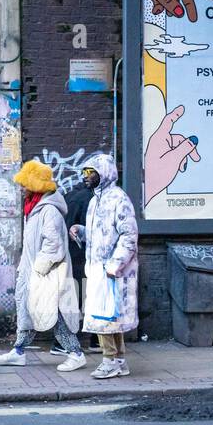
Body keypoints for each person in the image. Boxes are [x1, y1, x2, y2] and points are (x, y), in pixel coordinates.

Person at [0, 159, 86, 371]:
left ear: (36, 185)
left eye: (25, 183)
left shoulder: (48, 210)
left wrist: (39, 269)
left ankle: (76, 353)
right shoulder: (34, 208)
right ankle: (18, 351)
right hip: (32, 271)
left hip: (47, 274)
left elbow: (54, 245)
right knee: (27, 310)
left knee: (57, 313)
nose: (22, 188)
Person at [69, 154, 138, 379]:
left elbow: (128, 235)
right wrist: (82, 231)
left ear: (104, 174)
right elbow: (101, 234)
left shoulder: (119, 199)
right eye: (84, 173)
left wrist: (115, 265)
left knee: (104, 317)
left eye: (91, 173)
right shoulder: (95, 200)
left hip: (111, 271)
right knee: (110, 317)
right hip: (99, 268)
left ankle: (109, 361)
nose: (86, 177)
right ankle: (119, 360)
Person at [63, 165, 98, 354]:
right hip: (84, 256)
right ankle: (94, 340)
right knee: (90, 298)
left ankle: (64, 341)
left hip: (70, 255)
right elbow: (89, 230)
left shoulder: (70, 195)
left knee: (72, 299)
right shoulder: (90, 200)